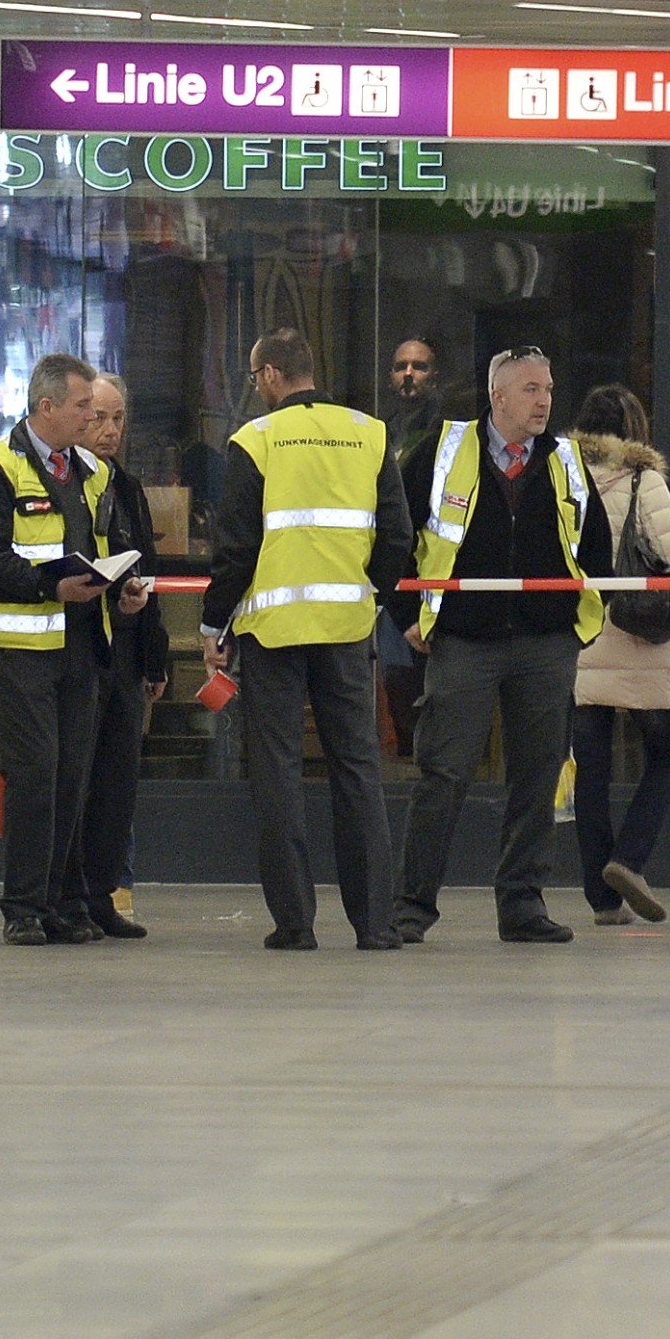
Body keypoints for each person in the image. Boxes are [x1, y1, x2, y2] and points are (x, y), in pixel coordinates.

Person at [200, 327, 414, 950]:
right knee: (358, 770)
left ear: (268, 374)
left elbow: (235, 548)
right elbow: (397, 536)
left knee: (278, 774)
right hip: (347, 630)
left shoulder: (256, 440)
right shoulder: (369, 434)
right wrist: (368, 592)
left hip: (273, 633)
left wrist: (215, 624)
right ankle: (375, 925)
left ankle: (295, 925)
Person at [393, 347, 614, 944]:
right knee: (443, 772)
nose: (544, 401)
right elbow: (392, 531)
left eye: (547, 388)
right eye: (530, 390)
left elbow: (596, 545)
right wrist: (405, 614)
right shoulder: (441, 451)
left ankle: (522, 904)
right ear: (498, 397)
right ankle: (412, 906)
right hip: (464, 641)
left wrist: (576, 623)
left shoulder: (566, 459)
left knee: (538, 776)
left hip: (546, 643)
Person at [0, 356, 154, 944]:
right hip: (18, 648)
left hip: (82, 644)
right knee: (34, 775)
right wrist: (52, 585)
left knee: (74, 776)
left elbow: (107, 543)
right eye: (82, 408)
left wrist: (120, 590)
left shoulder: (93, 473)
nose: (90, 417)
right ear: (47, 408)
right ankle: (23, 906)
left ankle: (66, 903)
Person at [569, 384, 670, 925]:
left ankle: (603, 901)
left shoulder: (564, 476)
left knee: (591, 772)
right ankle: (629, 859)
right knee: (667, 756)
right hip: (644, 636)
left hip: (585, 633)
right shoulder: (647, 480)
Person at [76, 375, 166, 936]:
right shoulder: (60, 484)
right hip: (80, 651)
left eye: (119, 419)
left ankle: (105, 894)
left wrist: (155, 655)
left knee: (116, 783)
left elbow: (145, 566)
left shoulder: (127, 486)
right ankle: (68, 895)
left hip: (127, 651)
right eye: (99, 418)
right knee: (77, 780)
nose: (110, 431)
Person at [373, 335, 447, 758]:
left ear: (433, 375)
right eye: (401, 366)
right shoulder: (380, 430)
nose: (408, 375)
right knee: (394, 682)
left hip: (430, 572)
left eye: (418, 366)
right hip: (389, 571)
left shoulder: (444, 433)